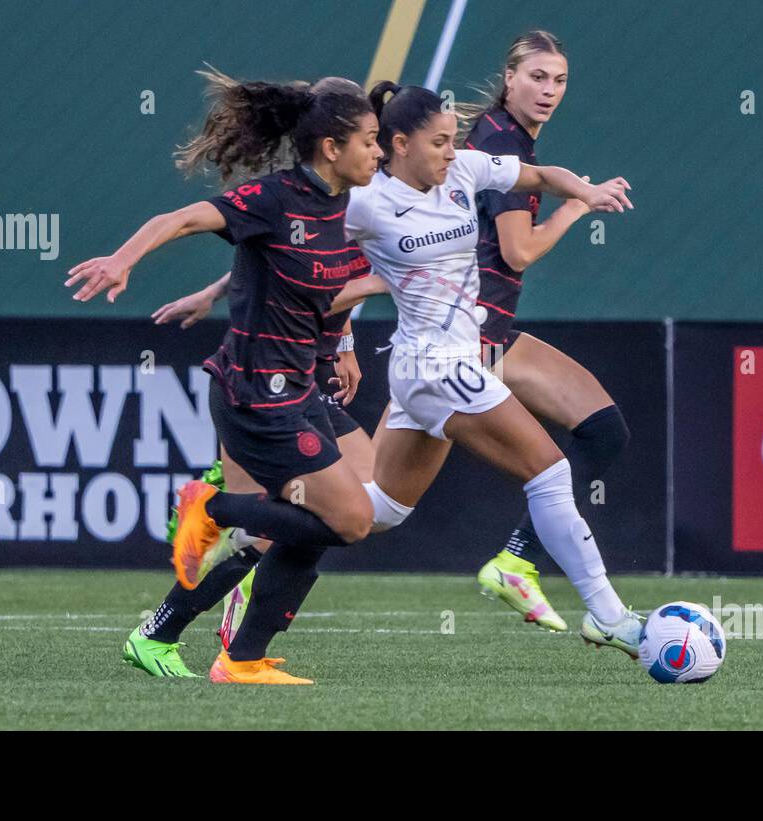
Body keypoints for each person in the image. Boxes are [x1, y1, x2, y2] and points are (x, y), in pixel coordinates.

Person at [65, 69, 383, 683]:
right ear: (331, 148)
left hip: (301, 384)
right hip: (254, 391)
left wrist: (343, 335)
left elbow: (317, 276)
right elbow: (182, 219)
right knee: (347, 519)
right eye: (369, 140)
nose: (378, 150)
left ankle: (208, 646)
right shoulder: (275, 198)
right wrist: (122, 259)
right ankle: (211, 507)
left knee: (311, 521)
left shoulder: (351, 202)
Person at [341, 81, 646, 655]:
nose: (452, 152)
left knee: (375, 513)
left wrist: (587, 191)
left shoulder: (463, 172)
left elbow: (542, 175)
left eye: (454, 140)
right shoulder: (367, 203)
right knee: (550, 472)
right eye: (439, 143)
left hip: (442, 366)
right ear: (399, 143)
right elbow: (302, 258)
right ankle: (608, 614)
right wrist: (331, 336)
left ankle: (247, 522)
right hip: (436, 366)